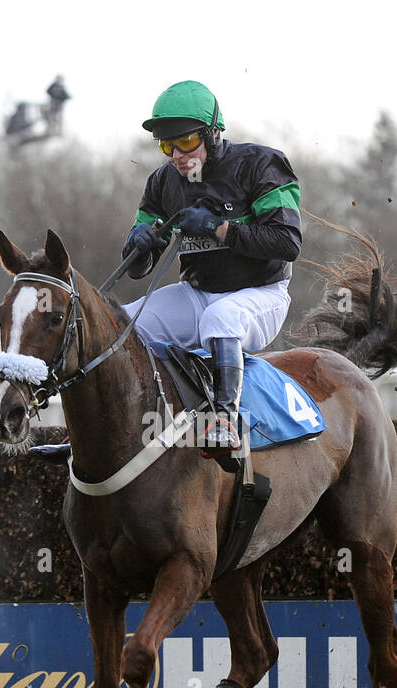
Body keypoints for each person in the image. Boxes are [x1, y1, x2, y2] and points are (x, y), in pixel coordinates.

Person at [121, 80, 302, 454]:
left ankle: (224, 419)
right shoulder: (161, 182)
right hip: (198, 293)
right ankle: (101, 432)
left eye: (186, 142)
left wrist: (221, 229)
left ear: (214, 133)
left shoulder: (260, 165)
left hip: (261, 293)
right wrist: (139, 246)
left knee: (220, 318)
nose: (176, 154)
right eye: (166, 145)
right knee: (123, 324)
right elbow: (138, 268)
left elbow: (288, 242)